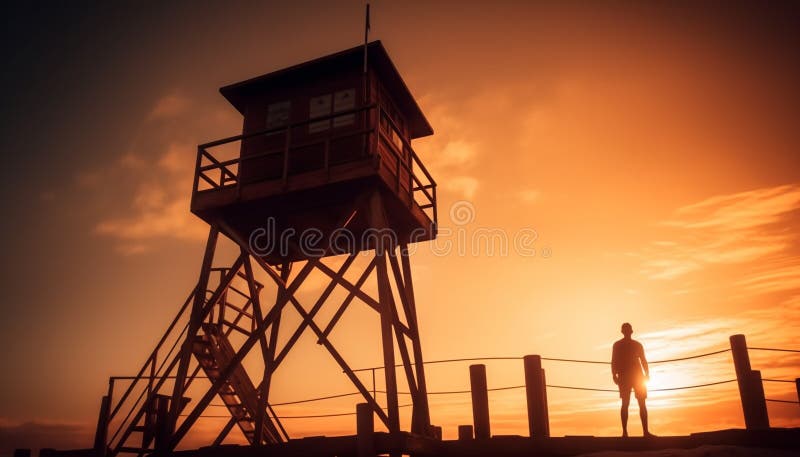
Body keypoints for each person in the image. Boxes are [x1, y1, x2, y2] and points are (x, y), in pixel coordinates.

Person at [611, 322, 653, 437]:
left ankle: (644, 432)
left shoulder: (633, 345)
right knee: (627, 403)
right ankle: (626, 432)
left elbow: (643, 360)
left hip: (636, 376)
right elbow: (614, 361)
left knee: (640, 403)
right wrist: (614, 375)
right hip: (627, 376)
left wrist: (647, 374)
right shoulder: (619, 345)